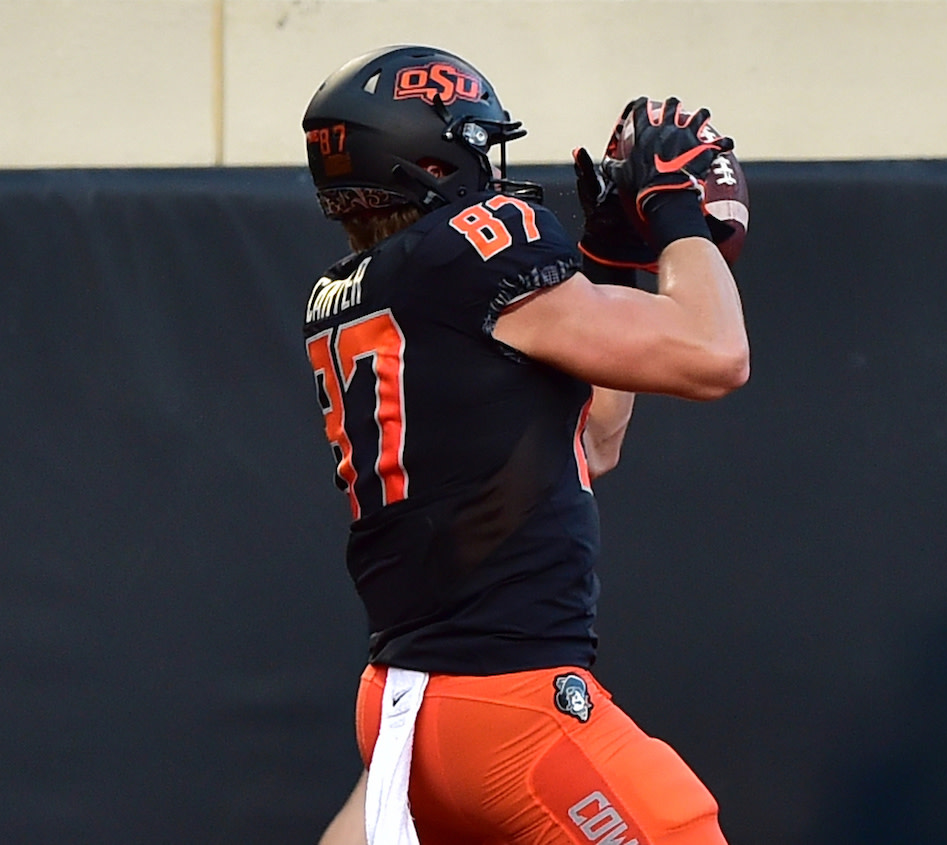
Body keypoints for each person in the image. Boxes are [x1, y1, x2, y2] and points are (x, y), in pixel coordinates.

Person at [300, 45, 748, 845]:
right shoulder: (476, 248)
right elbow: (715, 354)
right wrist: (678, 213)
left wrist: (610, 259)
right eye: (475, 141)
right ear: (431, 156)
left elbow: (596, 438)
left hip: (408, 705)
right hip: (508, 702)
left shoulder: (362, 290)